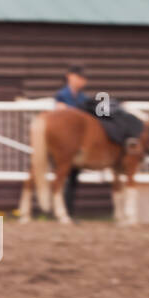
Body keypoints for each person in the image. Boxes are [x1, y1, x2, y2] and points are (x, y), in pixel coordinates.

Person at [53, 65, 92, 213]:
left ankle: (68, 209)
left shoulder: (83, 98)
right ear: (70, 77)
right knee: (62, 174)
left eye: (83, 79)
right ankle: (59, 208)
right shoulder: (62, 95)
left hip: (78, 141)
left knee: (73, 176)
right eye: (79, 77)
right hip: (64, 141)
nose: (81, 81)